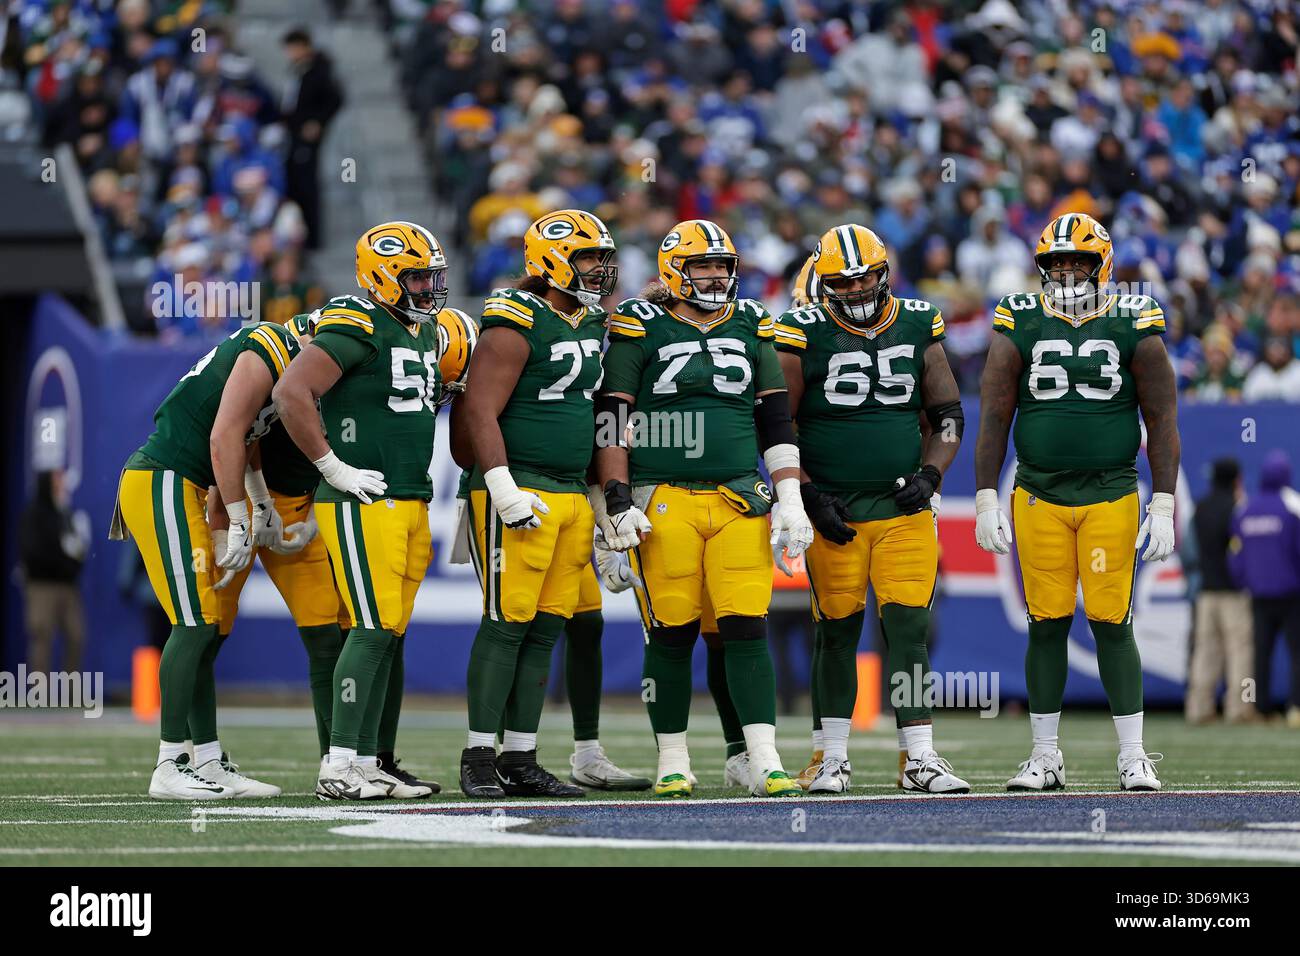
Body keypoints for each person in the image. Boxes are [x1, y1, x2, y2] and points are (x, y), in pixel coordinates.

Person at [595, 218, 814, 798]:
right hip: (662, 497)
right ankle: (673, 756)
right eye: (703, 267)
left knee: (746, 627)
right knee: (671, 632)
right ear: (674, 271)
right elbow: (612, 417)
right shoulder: (638, 324)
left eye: (722, 266)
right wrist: (616, 500)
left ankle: (761, 757)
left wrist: (789, 493)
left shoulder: (751, 322)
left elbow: (775, 417)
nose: (715, 276)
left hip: (740, 494)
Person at [974, 212, 1181, 792]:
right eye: (1056, 264)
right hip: (1038, 493)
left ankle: (1134, 755)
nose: (1065, 274)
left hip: (1110, 493)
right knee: (1047, 623)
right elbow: (994, 412)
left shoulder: (1134, 320)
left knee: (1112, 621)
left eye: (1077, 264)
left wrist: (1162, 501)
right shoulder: (1019, 318)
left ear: (1103, 266)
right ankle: (1045, 756)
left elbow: (1162, 418)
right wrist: (986, 493)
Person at [773, 225, 969, 794]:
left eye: (864, 278)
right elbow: (777, 425)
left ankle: (920, 758)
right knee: (835, 631)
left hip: (901, 507)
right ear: (823, 283)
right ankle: (829, 758)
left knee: (908, 632)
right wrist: (806, 492)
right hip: (834, 509)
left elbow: (949, 414)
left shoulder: (916, 321)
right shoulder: (800, 330)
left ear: (884, 273)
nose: (857, 290)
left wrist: (933, 474)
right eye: (843, 281)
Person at [454, 209, 630, 798]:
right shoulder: (516, 316)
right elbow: (478, 408)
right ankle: (479, 755)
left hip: (569, 493)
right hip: (519, 487)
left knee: (545, 629)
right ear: (551, 259)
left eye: (603, 259)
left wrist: (605, 504)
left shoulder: (588, 319)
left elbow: (599, 418)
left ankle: (520, 756)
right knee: (506, 624)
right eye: (588, 258)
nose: (600, 270)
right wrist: (500, 484)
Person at [272, 220, 447, 799]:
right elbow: (291, 392)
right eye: (415, 277)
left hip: (409, 498)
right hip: (361, 498)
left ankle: (369, 761)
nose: (427, 288)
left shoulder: (420, 331)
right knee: (370, 629)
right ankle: (338, 765)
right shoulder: (358, 320)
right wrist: (331, 465)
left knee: (389, 634)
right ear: (382, 277)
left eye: (431, 277)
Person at [111, 317, 298, 800]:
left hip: (180, 485)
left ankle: (209, 760)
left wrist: (260, 505)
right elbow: (223, 438)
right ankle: (170, 762)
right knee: (193, 622)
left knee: (205, 623)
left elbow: (249, 436)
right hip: (164, 479)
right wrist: (238, 517)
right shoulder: (270, 347)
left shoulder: (282, 359)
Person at [1230, 451, 1300, 727]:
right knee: (1297, 653)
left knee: (1261, 653)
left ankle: (1262, 709)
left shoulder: (1245, 509)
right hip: (1292, 595)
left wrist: (1244, 582)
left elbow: (1235, 554)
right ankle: (1296, 708)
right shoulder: (1293, 506)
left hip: (1258, 594)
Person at [1186, 458, 1256, 724]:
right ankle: (1237, 709)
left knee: (1205, 651)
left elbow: (1190, 552)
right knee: (1238, 650)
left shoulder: (1200, 508)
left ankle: (1198, 707)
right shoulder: (1237, 508)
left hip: (1206, 591)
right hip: (1233, 592)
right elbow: (1243, 551)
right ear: (1236, 480)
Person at [20, 470, 89, 675]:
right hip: (42, 586)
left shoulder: (65, 513)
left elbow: (75, 549)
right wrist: (61, 560)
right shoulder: (34, 513)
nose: (62, 483)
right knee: (42, 638)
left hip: (67, 586)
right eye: (57, 479)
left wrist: (73, 564)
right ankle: (41, 695)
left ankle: (71, 695)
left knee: (77, 635)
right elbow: (32, 552)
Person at [281, 28, 343, 250]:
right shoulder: (298, 70)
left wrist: (318, 122)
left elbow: (336, 98)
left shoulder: (319, 71)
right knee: (294, 182)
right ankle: (298, 234)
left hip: (306, 139)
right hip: (293, 134)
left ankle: (312, 238)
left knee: (307, 185)